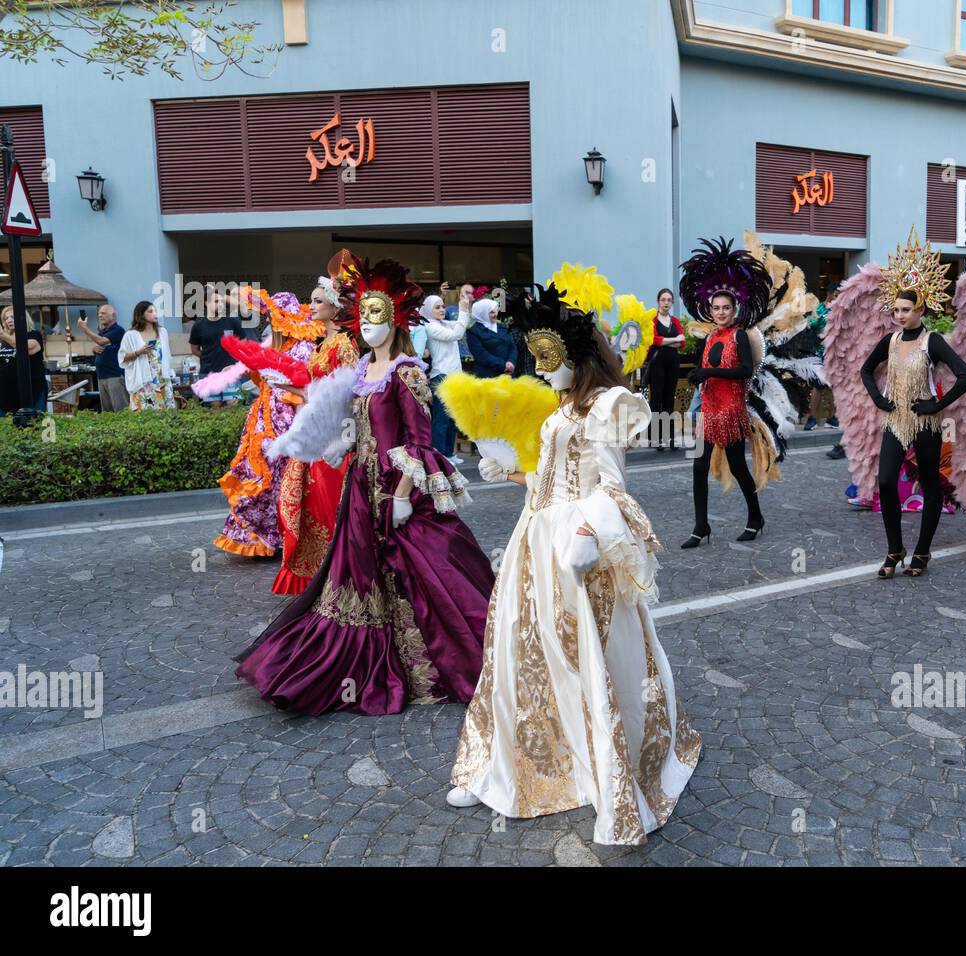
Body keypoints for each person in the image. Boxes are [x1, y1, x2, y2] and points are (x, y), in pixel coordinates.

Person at [447, 270, 700, 846]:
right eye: (534, 357)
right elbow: (549, 479)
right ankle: (504, 762)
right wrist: (513, 472)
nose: (539, 367)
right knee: (516, 643)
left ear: (576, 355)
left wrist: (589, 536)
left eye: (547, 356)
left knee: (585, 650)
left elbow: (610, 485)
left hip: (577, 541)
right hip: (533, 538)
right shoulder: (557, 410)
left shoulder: (610, 403)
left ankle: (606, 776)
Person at [236, 259, 493, 714]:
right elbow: (361, 426)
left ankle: (447, 657)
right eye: (364, 316)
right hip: (359, 490)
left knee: (428, 575)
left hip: (397, 493)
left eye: (378, 315)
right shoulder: (360, 375)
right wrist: (341, 445)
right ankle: (348, 660)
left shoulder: (407, 372)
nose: (370, 325)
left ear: (394, 320)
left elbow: (417, 442)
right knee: (357, 577)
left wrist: (400, 498)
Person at [859, 290, 966, 578]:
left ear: (920, 310)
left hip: (926, 424)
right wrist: (877, 398)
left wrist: (936, 404)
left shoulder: (931, 341)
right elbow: (865, 370)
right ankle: (895, 549)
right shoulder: (891, 340)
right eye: (896, 310)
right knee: (885, 481)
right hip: (896, 421)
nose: (900, 315)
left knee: (929, 484)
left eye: (906, 309)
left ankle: (922, 551)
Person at [677, 238, 776, 548]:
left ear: (735, 309)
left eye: (725, 308)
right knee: (698, 467)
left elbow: (744, 371)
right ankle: (700, 526)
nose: (720, 312)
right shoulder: (709, 337)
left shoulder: (740, 336)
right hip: (708, 409)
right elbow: (708, 369)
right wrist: (698, 376)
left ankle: (756, 517)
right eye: (716, 308)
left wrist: (709, 372)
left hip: (730, 411)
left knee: (738, 467)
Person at [271, 266, 361, 595]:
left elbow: (350, 395)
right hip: (316, 433)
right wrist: (290, 388)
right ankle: (320, 578)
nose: (310, 306)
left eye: (317, 301)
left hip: (332, 439)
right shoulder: (323, 345)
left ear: (335, 308)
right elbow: (317, 392)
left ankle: (336, 577)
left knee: (328, 510)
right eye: (310, 300)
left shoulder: (343, 346)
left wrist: (341, 438)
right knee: (310, 508)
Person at [212, 291, 318, 557]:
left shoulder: (304, 348)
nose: (269, 321)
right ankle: (263, 536)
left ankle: (287, 535)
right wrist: (245, 370)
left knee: (282, 473)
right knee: (256, 471)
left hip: (288, 417)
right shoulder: (274, 346)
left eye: (273, 316)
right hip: (263, 416)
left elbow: (306, 387)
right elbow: (263, 379)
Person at [417, 290, 473, 462]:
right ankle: (440, 454)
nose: (442, 310)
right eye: (437, 307)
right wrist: (463, 310)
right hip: (441, 376)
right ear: (427, 310)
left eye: (442, 306)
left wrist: (465, 310)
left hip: (454, 377)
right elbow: (457, 333)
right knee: (441, 420)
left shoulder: (443, 324)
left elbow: (461, 325)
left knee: (452, 418)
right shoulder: (430, 326)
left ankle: (448, 453)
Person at [189, 285, 249, 408]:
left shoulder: (233, 322)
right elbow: (194, 349)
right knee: (213, 408)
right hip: (208, 374)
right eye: (216, 301)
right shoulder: (198, 326)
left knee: (233, 406)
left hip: (231, 373)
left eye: (221, 301)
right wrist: (209, 356)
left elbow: (243, 344)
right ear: (206, 303)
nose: (220, 304)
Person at [645, 287, 685, 450]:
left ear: (672, 303)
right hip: (657, 363)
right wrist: (673, 340)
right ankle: (655, 438)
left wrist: (666, 340)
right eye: (663, 300)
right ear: (658, 302)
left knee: (669, 400)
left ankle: (669, 437)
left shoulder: (675, 321)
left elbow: (682, 342)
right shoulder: (652, 320)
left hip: (673, 362)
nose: (666, 303)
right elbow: (654, 340)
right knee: (656, 400)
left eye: (669, 300)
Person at [118, 301, 176, 411]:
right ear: (141, 315)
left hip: (161, 380)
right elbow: (122, 358)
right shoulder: (131, 335)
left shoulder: (162, 332)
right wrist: (138, 352)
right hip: (143, 381)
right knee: (145, 415)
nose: (155, 314)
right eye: (150, 311)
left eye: (155, 311)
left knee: (166, 416)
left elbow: (167, 356)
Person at [78, 304, 128, 413]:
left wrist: (84, 329)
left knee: (120, 411)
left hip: (114, 376)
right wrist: (94, 349)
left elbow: (101, 341)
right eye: (99, 314)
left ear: (113, 316)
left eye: (103, 313)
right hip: (102, 376)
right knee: (107, 412)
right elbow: (102, 345)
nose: (100, 316)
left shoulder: (118, 330)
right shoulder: (103, 332)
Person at [0, 306, 45, 416]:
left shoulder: (34, 335)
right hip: (5, 392)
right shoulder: (3, 339)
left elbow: (26, 349)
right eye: (6, 318)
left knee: (32, 425)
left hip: (31, 390)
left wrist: (3, 335)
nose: (9, 320)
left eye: (12, 317)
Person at [465, 297, 517, 378]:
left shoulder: (503, 327)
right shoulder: (473, 331)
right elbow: (481, 354)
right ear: (482, 313)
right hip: (487, 376)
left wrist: (511, 361)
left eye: (496, 311)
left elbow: (513, 346)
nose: (495, 314)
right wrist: (504, 365)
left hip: (508, 374)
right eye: (491, 312)